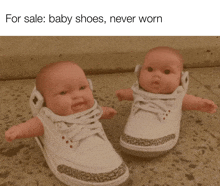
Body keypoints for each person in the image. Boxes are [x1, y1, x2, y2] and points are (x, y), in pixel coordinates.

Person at [5, 61, 129, 186]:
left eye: (82, 88)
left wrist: (104, 112)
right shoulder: (46, 118)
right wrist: (18, 130)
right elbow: (33, 125)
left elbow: (96, 112)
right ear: (42, 101)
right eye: (63, 93)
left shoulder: (87, 108)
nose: (77, 95)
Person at [116, 46, 218, 158]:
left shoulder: (177, 96)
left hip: (163, 120)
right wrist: (124, 94)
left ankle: (169, 119)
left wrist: (201, 104)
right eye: (150, 69)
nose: (156, 75)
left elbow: (188, 101)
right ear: (139, 72)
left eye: (167, 71)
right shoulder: (137, 92)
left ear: (181, 79)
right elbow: (132, 94)